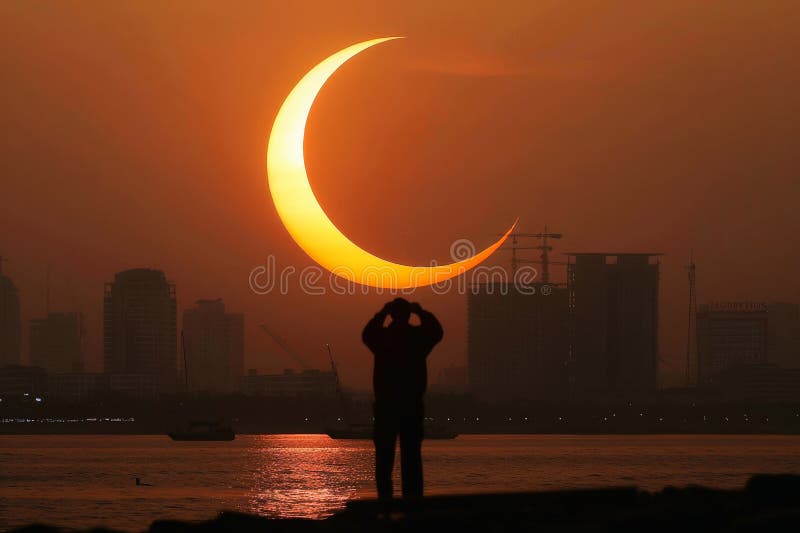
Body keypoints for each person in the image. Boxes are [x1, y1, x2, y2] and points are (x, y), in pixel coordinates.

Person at [362, 297, 443, 500]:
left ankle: (385, 505)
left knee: (384, 459)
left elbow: (367, 334)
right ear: (408, 315)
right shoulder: (417, 339)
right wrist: (421, 312)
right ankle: (413, 505)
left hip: (386, 406)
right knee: (412, 459)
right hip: (411, 406)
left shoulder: (382, 339)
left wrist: (381, 313)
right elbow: (436, 331)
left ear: (392, 314)